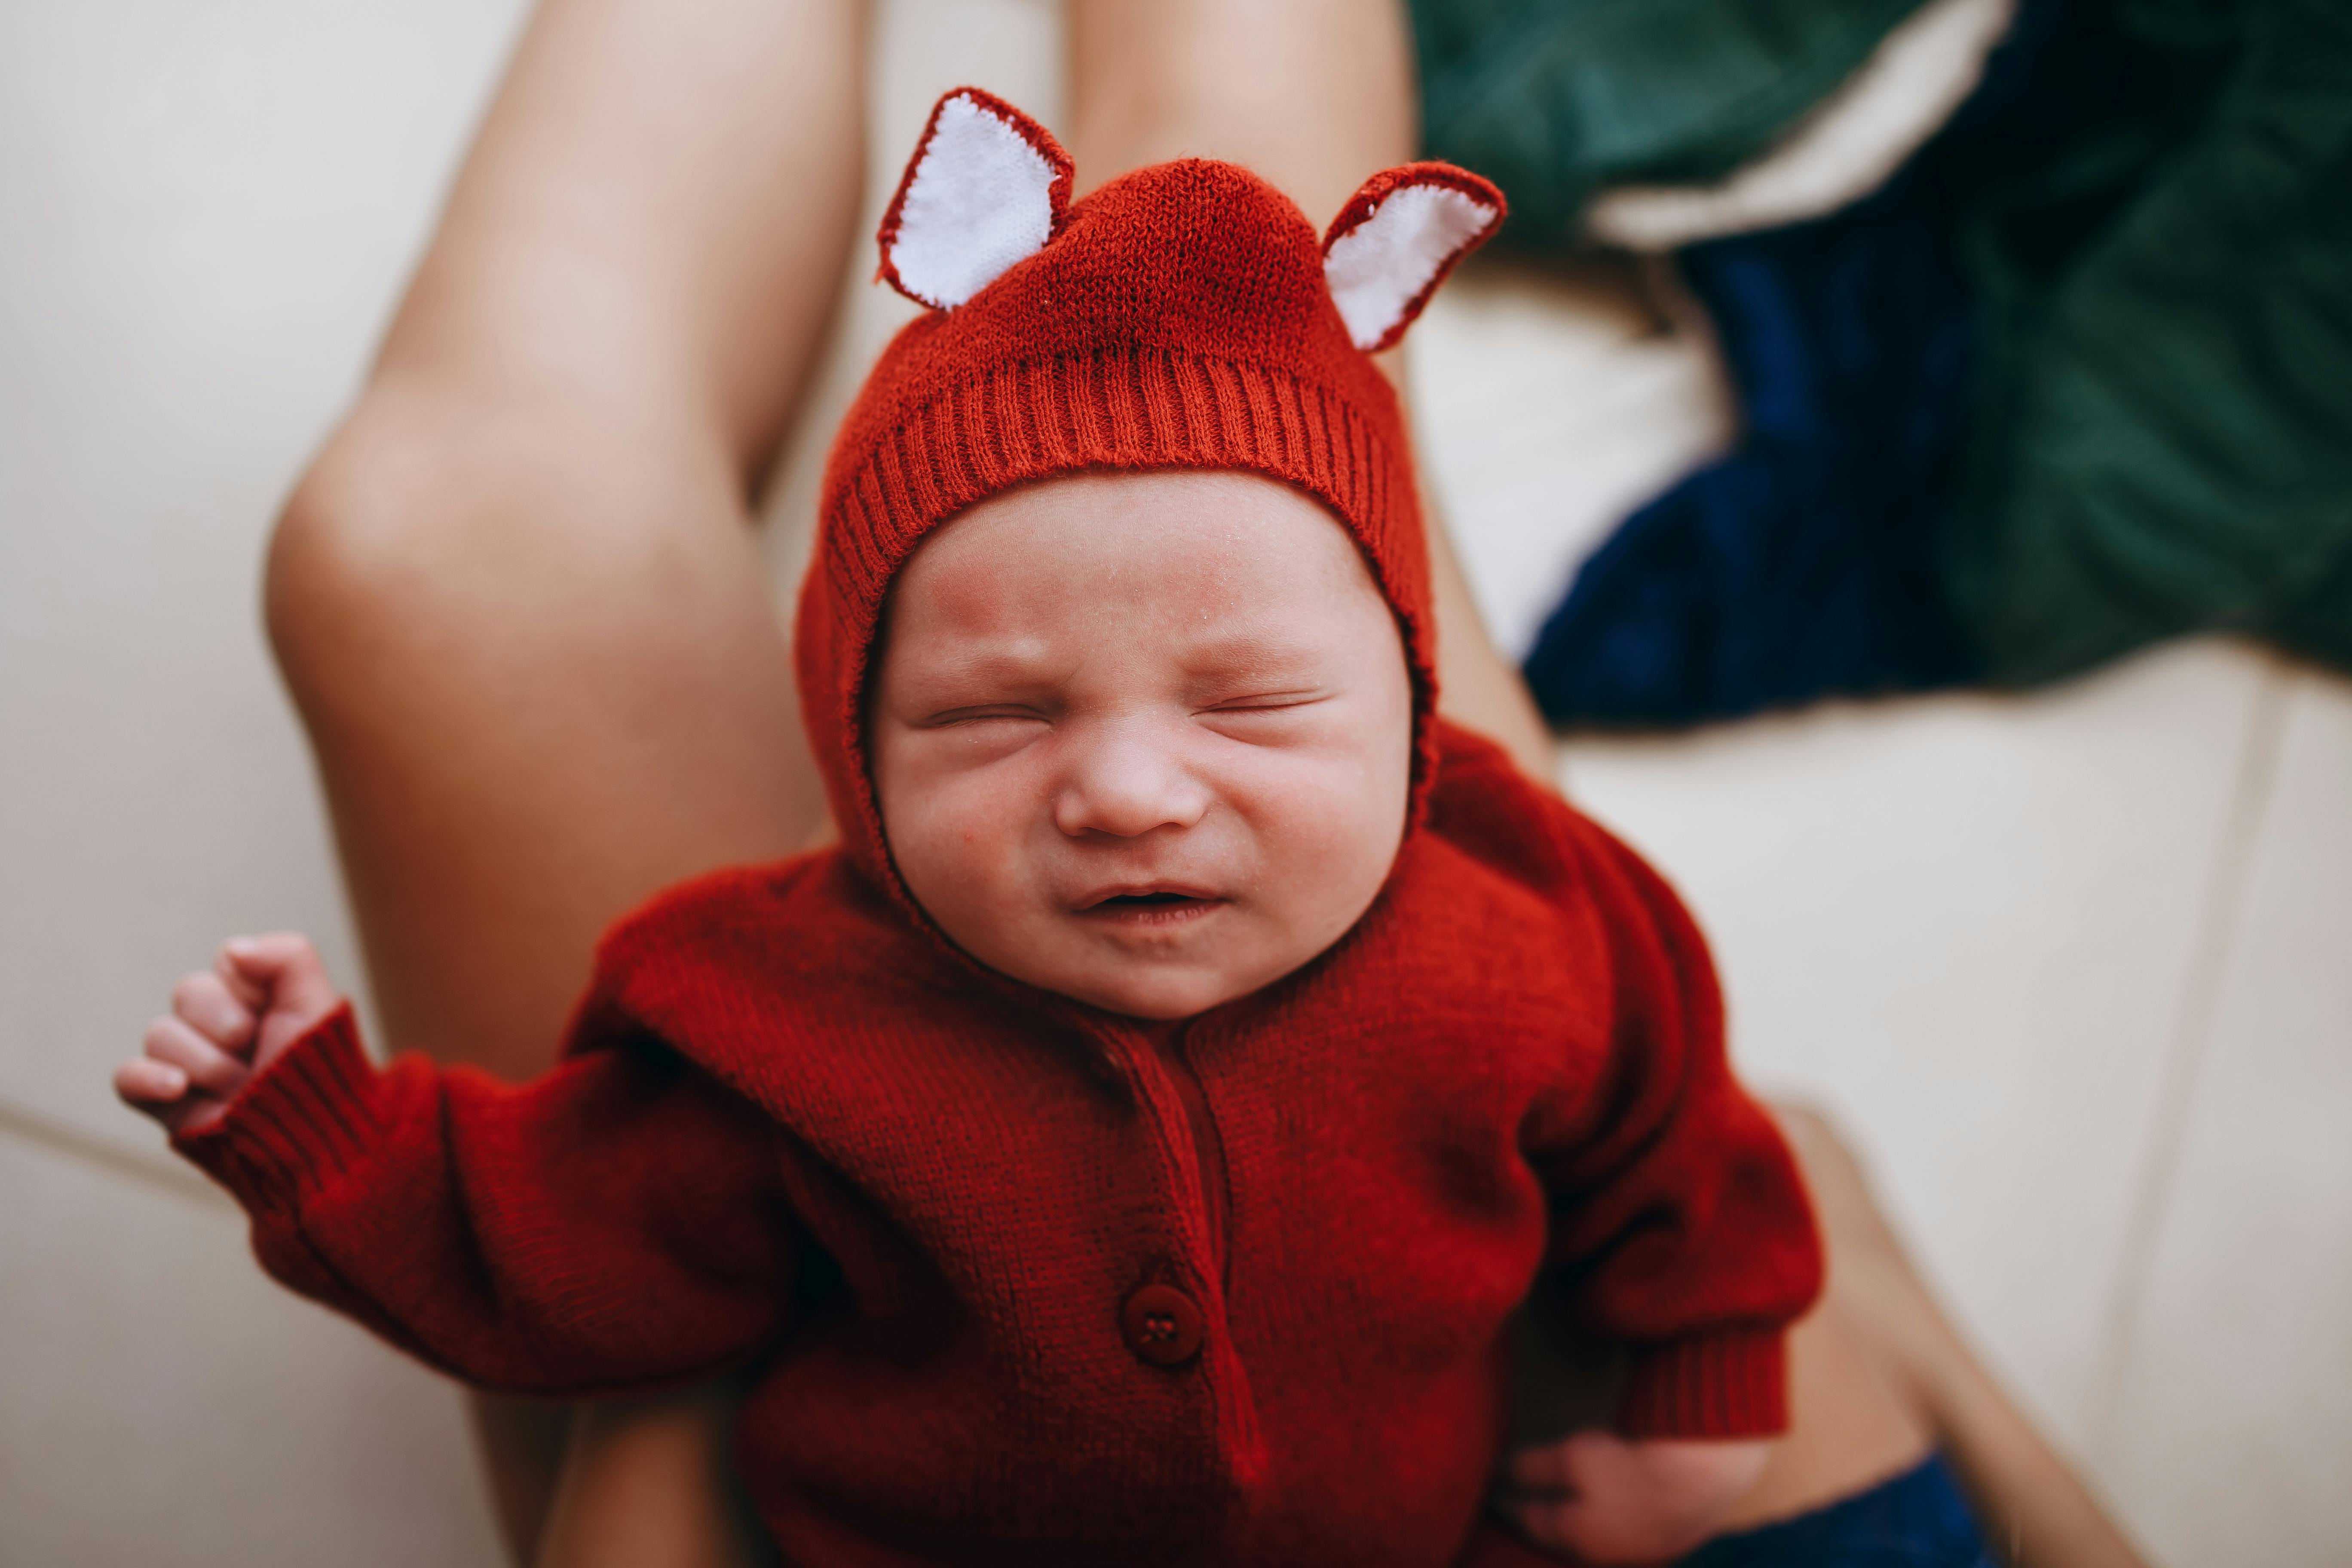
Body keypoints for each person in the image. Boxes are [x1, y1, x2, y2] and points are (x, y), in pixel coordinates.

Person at [115, 1, 2156, 1564]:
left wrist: (722, 1286)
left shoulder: (1499, 941)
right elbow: (529, 1211)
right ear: (856, 747)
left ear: (1416, 719)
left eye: (1248, 715)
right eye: (993, 719)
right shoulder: (1496, 913)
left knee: (429, 547)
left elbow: (589, 1235)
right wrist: (317, 1131)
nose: (1128, 796)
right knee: (1239, 218)